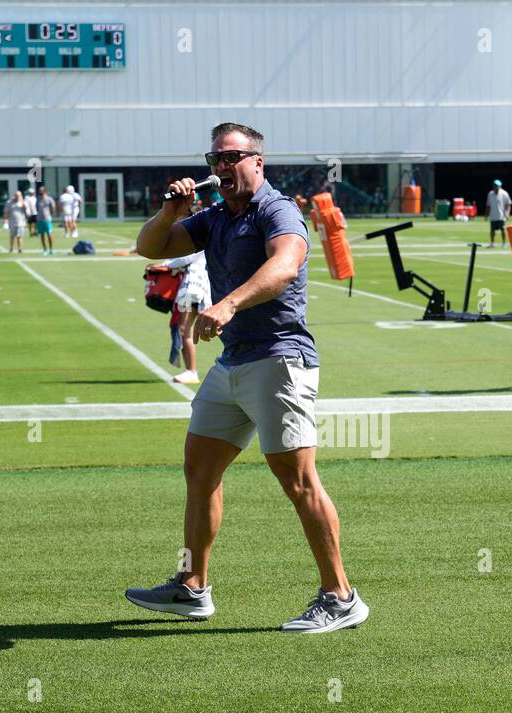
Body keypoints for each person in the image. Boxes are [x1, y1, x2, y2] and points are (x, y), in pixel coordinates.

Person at [126, 122, 368, 633]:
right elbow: (150, 247)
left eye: (232, 157)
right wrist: (170, 212)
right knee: (200, 471)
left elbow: (286, 263)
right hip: (234, 361)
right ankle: (193, 587)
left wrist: (230, 303)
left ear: (258, 161)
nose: (222, 167)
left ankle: (341, 596)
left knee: (297, 481)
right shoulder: (214, 216)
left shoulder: (277, 209)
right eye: (215, 158)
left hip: (279, 358)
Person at [164, 213, 213, 386]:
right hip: (201, 288)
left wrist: (163, 265)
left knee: (184, 329)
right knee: (205, 329)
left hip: (193, 288)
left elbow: (184, 259)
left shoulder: (198, 239)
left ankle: (191, 371)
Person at [485, 179, 512, 248]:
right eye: (494, 185)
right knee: (492, 230)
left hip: (501, 215)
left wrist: (507, 213)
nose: (495, 187)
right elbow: (488, 205)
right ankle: (492, 243)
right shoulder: (490, 194)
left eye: (497, 186)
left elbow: (508, 204)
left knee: (503, 229)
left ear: (500, 186)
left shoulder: (504, 193)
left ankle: (504, 243)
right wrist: (487, 214)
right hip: (493, 215)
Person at [35, 184, 56, 255]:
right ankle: (44, 250)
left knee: (49, 234)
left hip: (47, 219)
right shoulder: (37, 199)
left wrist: (51, 215)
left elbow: (53, 207)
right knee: (42, 235)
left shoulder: (49, 199)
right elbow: (36, 208)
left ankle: (51, 249)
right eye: (39, 191)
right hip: (40, 219)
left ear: (44, 191)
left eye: (41, 190)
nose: (40, 192)